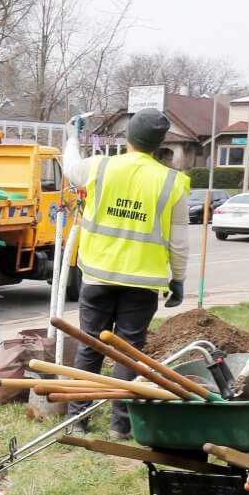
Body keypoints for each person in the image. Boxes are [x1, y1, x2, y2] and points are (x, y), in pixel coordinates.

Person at [62, 110, 190, 439]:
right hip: (143, 282)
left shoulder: (101, 166)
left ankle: (79, 419)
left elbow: (70, 167)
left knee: (90, 346)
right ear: (160, 143)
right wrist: (178, 278)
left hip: (98, 276)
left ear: (128, 137)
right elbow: (179, 242)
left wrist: (72, 137)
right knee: (130, 351)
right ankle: (121, 424)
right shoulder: (171, 182)